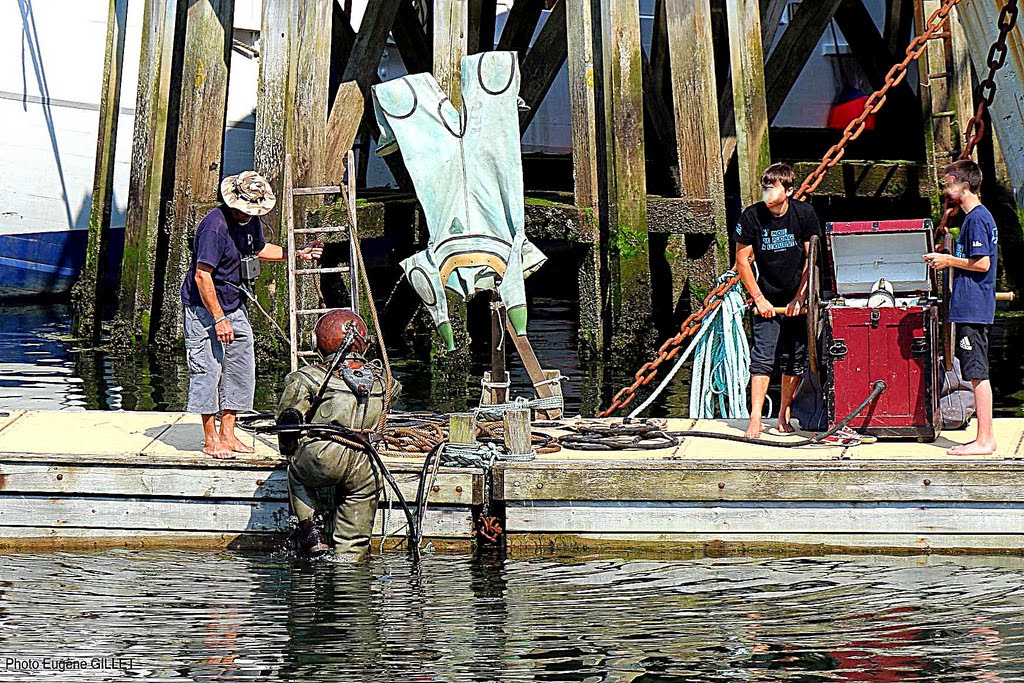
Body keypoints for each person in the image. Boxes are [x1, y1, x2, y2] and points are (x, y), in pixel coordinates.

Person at [181, 171, 323, 458]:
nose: (249, 215)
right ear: (232, 202)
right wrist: (219, 319)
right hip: (204, 308)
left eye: (253, 211)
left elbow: (258, 249)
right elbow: (201, 276)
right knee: (208, 370)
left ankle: (228, 434)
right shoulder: (214, 228)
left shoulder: (250, 220)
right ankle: (211, 440)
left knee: (240, 368)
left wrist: (296, 254)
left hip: (234, 303)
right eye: (246, 210)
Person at [276, 309, 401, 560]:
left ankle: (312, 533)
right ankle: (349, 564)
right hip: (366, 462)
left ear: (318, 342)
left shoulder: (308, 378)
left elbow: (288, 421)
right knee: (353, 544)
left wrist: (289, 452)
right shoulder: (383, 380)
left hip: (323, 456)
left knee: (296, 473)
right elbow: (393, 394)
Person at [733, 162, 820, 438]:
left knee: (794, 358)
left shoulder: (803, 214)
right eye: (764, 186)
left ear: (789, 190)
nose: (766, 191)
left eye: (772, 186)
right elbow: (742, 261)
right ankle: (756, 417)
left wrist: (800, 297)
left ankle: (784, 413)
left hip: (796, 298)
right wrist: (758, 298)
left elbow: (812, 260)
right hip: (767, 296)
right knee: (762, 357)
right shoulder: (752, 216)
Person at [924, 159, 998, 455]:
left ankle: (985, 439)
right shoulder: (973, 220)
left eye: (949, 184)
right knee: (975, 371)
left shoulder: (977, 219)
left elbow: (982, 264)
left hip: (974, 307)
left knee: (978, 372)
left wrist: (947, 261)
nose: (945, 190)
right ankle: (983, 437)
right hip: (971, 306)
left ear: (964, 186)